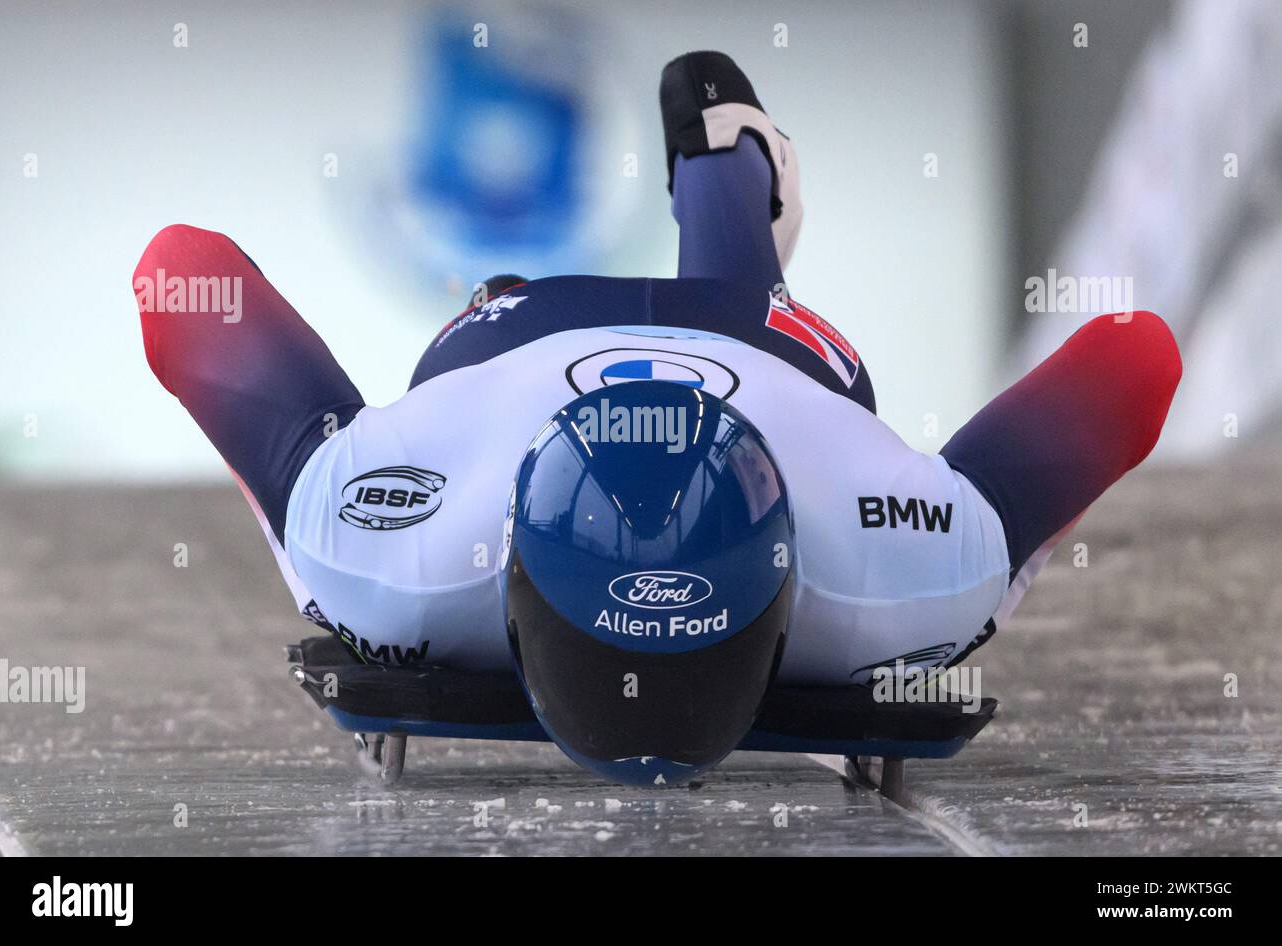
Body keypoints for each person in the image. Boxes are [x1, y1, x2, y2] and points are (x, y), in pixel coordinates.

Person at [132, 52, 1181, 786]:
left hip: (524, 340)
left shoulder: (373, 549)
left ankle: (728, 162)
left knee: (749, 307)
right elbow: (1136, 359)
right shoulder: (905, 571)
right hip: (741, 364)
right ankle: (727, 161)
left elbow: (180, 271)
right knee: (758, 315)